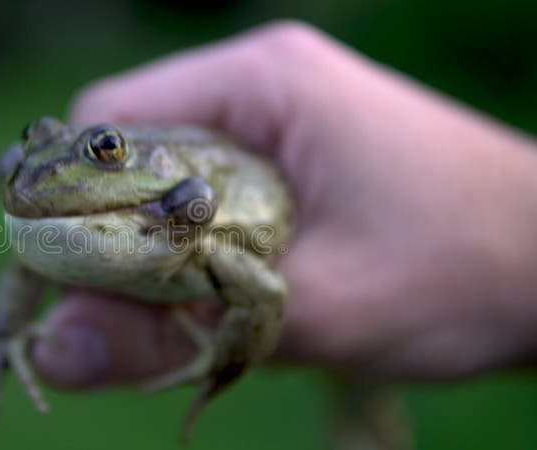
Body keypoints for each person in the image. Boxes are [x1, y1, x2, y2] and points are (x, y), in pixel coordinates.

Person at [30, 21, 537, 389]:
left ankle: (358, 393)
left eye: (106, 151)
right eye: (35, 143)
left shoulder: (207, 238)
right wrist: (6, 329)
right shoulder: (60, 226)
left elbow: (266, 294)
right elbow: (26, 263)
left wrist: (223, 362)